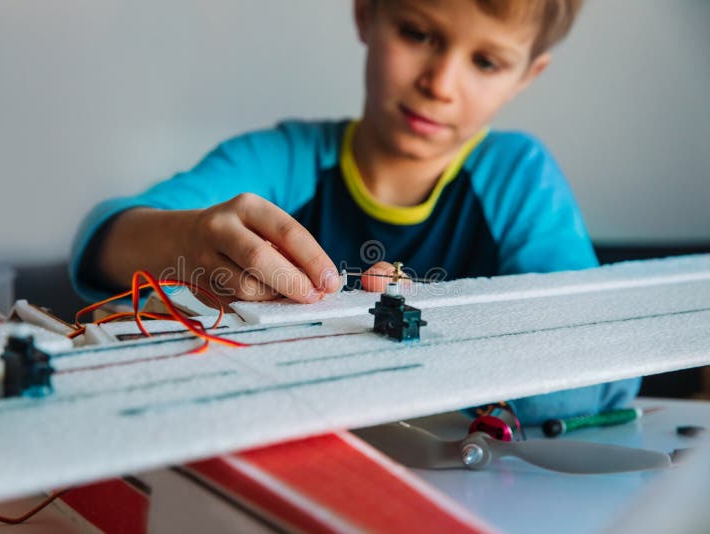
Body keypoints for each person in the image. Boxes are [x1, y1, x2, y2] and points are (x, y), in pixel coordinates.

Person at [69, 0, 640, 423]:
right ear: (367, 13)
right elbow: (105, 239)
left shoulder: (518, 177)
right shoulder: (282, 161)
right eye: (417, 33)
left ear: (526, 76)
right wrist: (186, 238)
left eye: (486, 62)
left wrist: (414, 336)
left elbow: (596, 366)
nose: (439, 84)